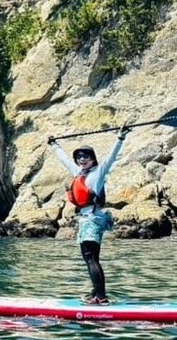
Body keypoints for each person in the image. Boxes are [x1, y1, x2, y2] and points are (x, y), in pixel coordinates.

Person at [47, 127, 128, 304]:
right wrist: (54, 145)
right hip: (88, 219)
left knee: (90, 258)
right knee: (92, 259)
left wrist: (120, 138)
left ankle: (100, 297)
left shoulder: (97, 173)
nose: (82, 159)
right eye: (80, 157)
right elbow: (65, 161)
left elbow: (111, 158)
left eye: (86, 157)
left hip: (92, 219)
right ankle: (96, 293)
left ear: (93, 160)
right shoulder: (78, 173)